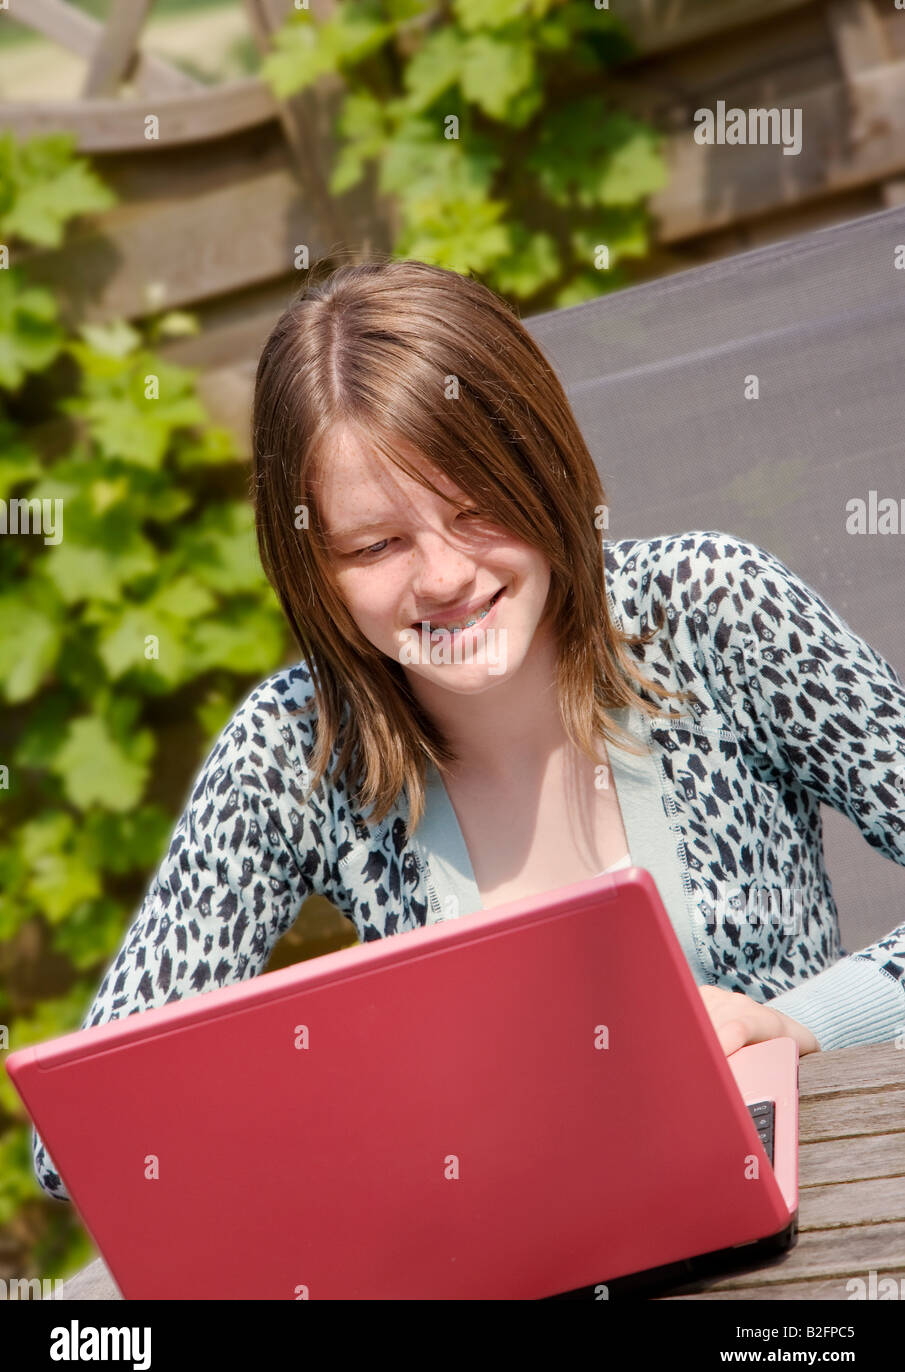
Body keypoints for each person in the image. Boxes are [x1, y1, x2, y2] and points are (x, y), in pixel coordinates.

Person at [32, 257, 905, 1203]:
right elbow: (78, 1138)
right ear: (310, 568)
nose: (444, 576)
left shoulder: (715, 611)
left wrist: (805, 1024)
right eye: (376, 545)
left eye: (476, 507)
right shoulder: (293, 749)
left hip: (813, 1216)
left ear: (546, 467)